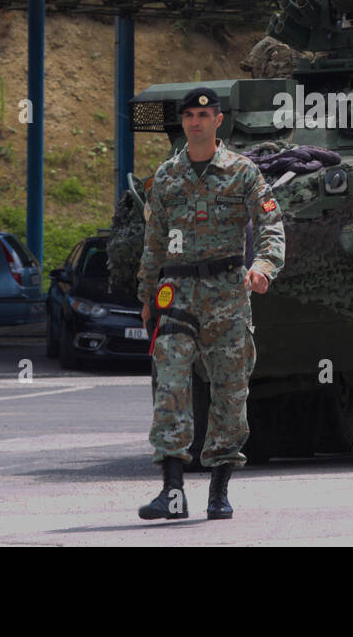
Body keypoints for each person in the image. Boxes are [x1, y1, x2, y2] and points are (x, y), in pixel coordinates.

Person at [137, 87, 285, 521]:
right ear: (183, 122)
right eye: (189, 115)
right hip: (177, 295)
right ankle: (172, 492)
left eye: (204, 114)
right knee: (171, 388)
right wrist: (147, 296)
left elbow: (271, 223)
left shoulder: (242, 172)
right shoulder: (165, 177)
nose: (195, 121)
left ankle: (219, 491)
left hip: (227, 296)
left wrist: (263, 266)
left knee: (229, 393)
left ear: (219, 120)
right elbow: (154, 244)